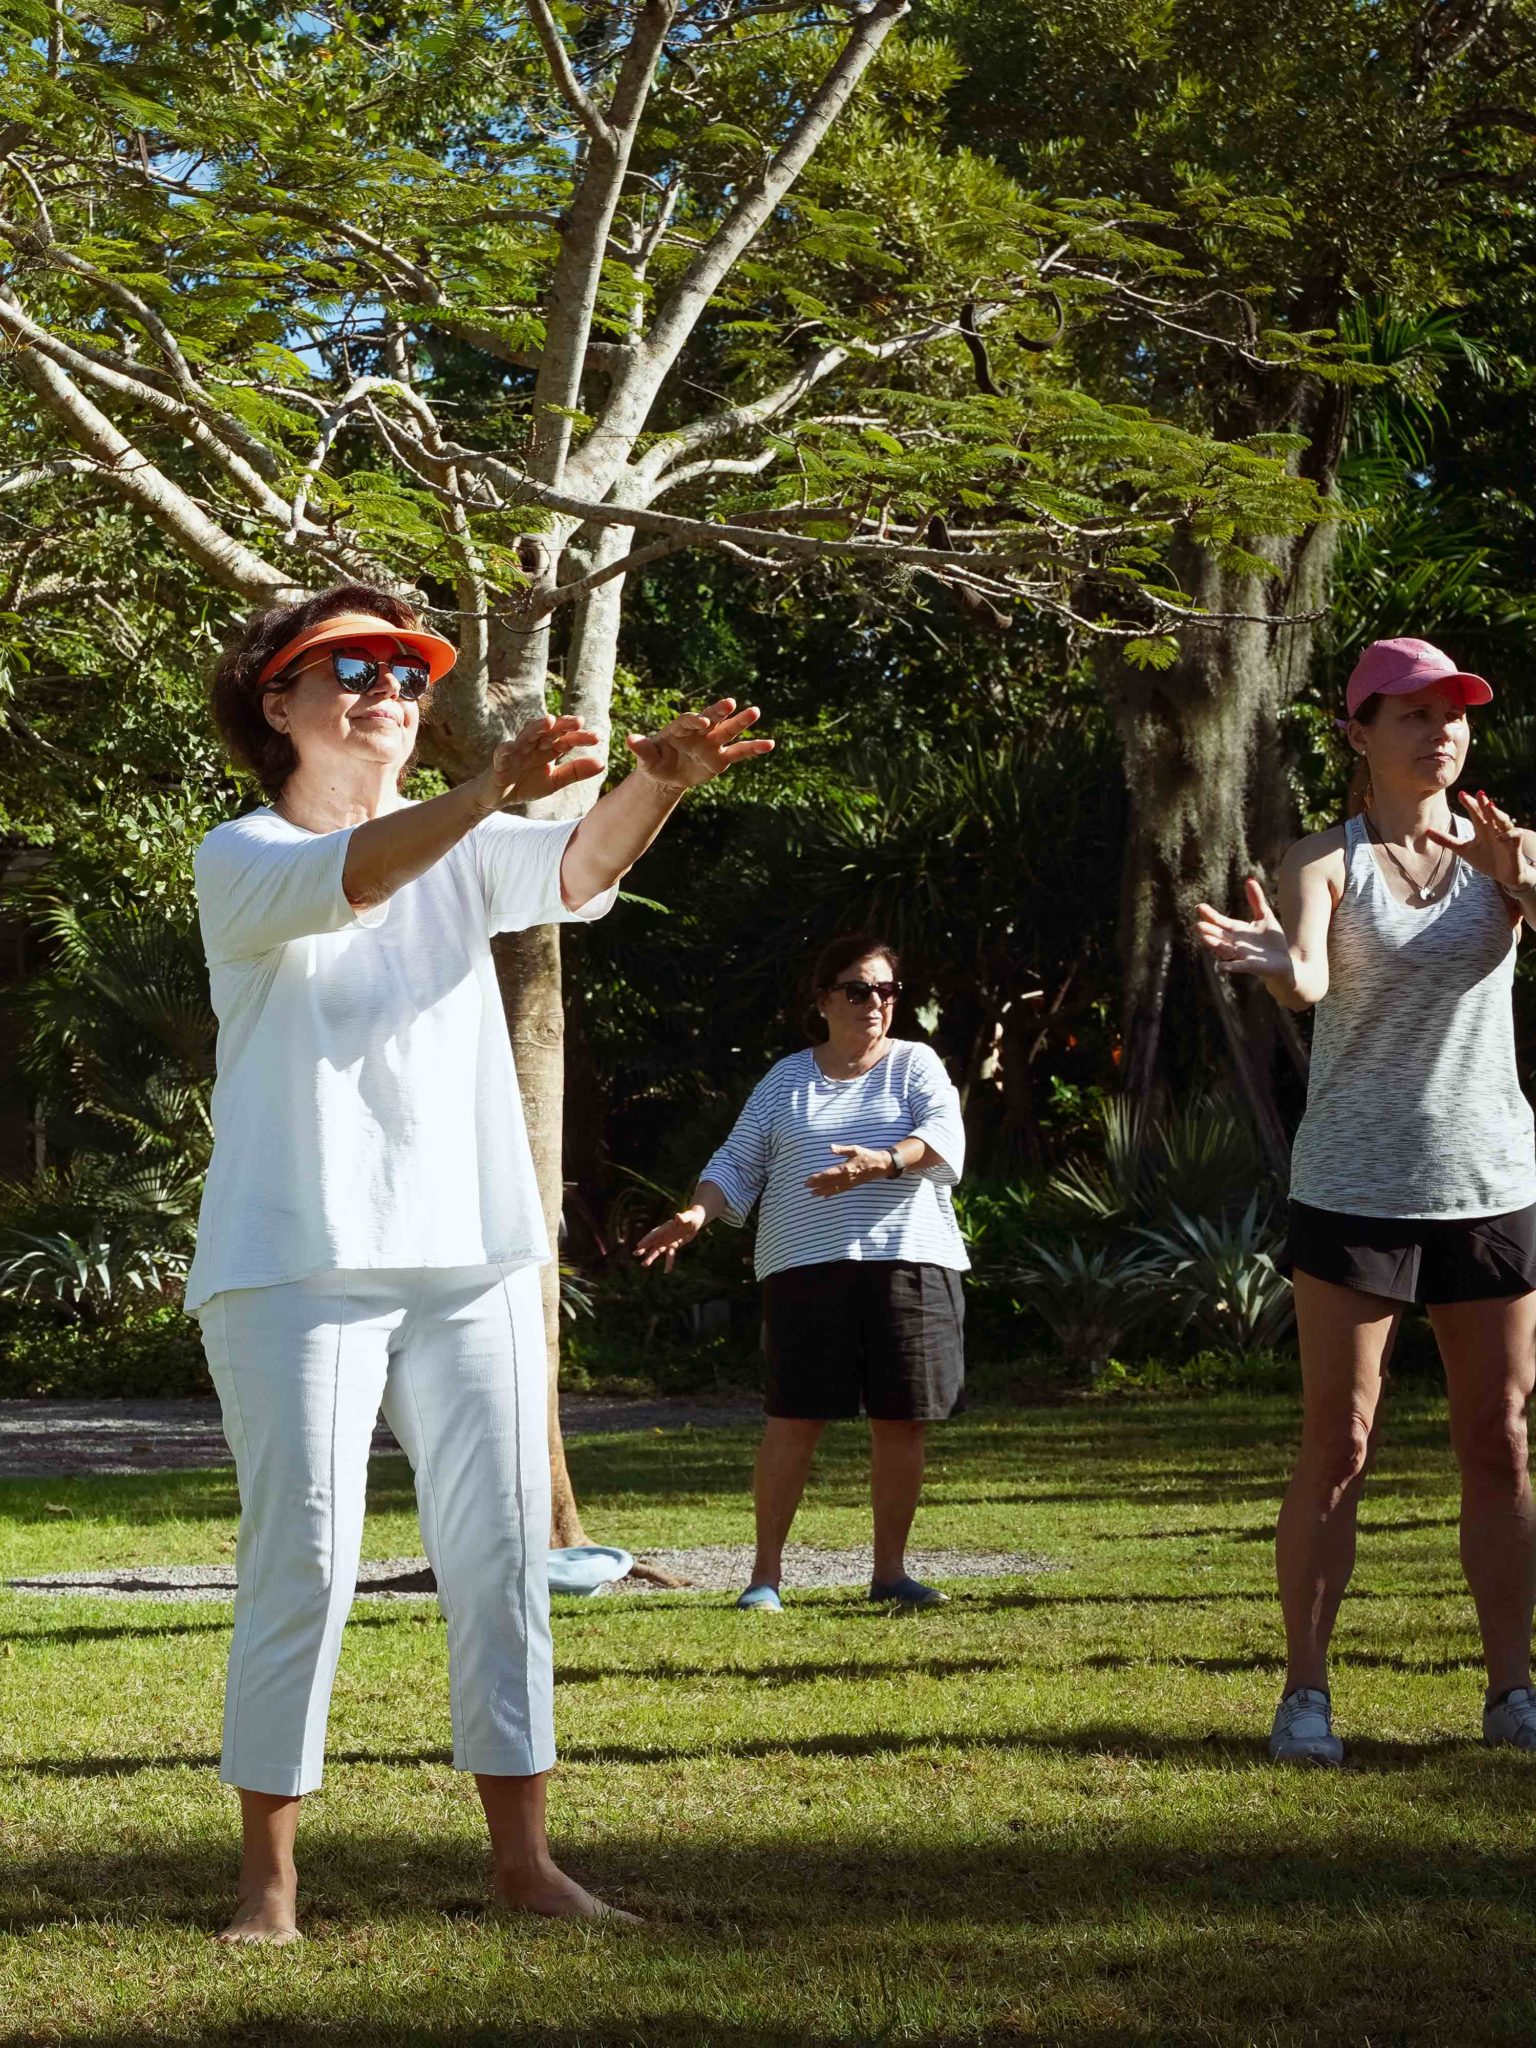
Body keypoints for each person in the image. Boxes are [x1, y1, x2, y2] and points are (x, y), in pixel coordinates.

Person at [187, 582, 772, 1942]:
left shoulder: (467, 836)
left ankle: (525, 1866)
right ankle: (268, 1890)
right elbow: (361, 874)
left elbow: (573, 872)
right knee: (307, 1558)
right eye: (351, 668)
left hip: (477, 1255)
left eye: (406, 668)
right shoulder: (242, 852)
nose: (389, 686)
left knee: (503, 1555)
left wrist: (657, 782)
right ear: (277, 703)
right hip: (296, 1263)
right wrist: (486, 792)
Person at [1194, 635, 1536, 1764]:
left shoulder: (1509, 850)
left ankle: (1510, 1690)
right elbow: (1308, 974)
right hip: (1354, 1187)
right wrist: (1269, 960)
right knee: (1339, 1440)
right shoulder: (1322, 857)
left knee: (1500, 1439)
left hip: (1489, 1183)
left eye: (1454, 711)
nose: (1439, 728)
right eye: (1410, 712)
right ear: (1358, 734)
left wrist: (1519, 879)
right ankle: (1307, 1693)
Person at [635, 933, 968, 1611]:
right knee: (794, 1420)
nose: (874, 1003)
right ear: (822, 1000)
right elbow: (736, 1161)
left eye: (886, 990)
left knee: (902, 1421)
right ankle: (764, 1577)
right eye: (856, 989)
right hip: (803, 1266)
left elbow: (943, 1136)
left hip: (909, 1263)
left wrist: (882, 1162)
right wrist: (698, 1215)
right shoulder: (787, 1079)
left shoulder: (916, 1064)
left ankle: (891, 1574)